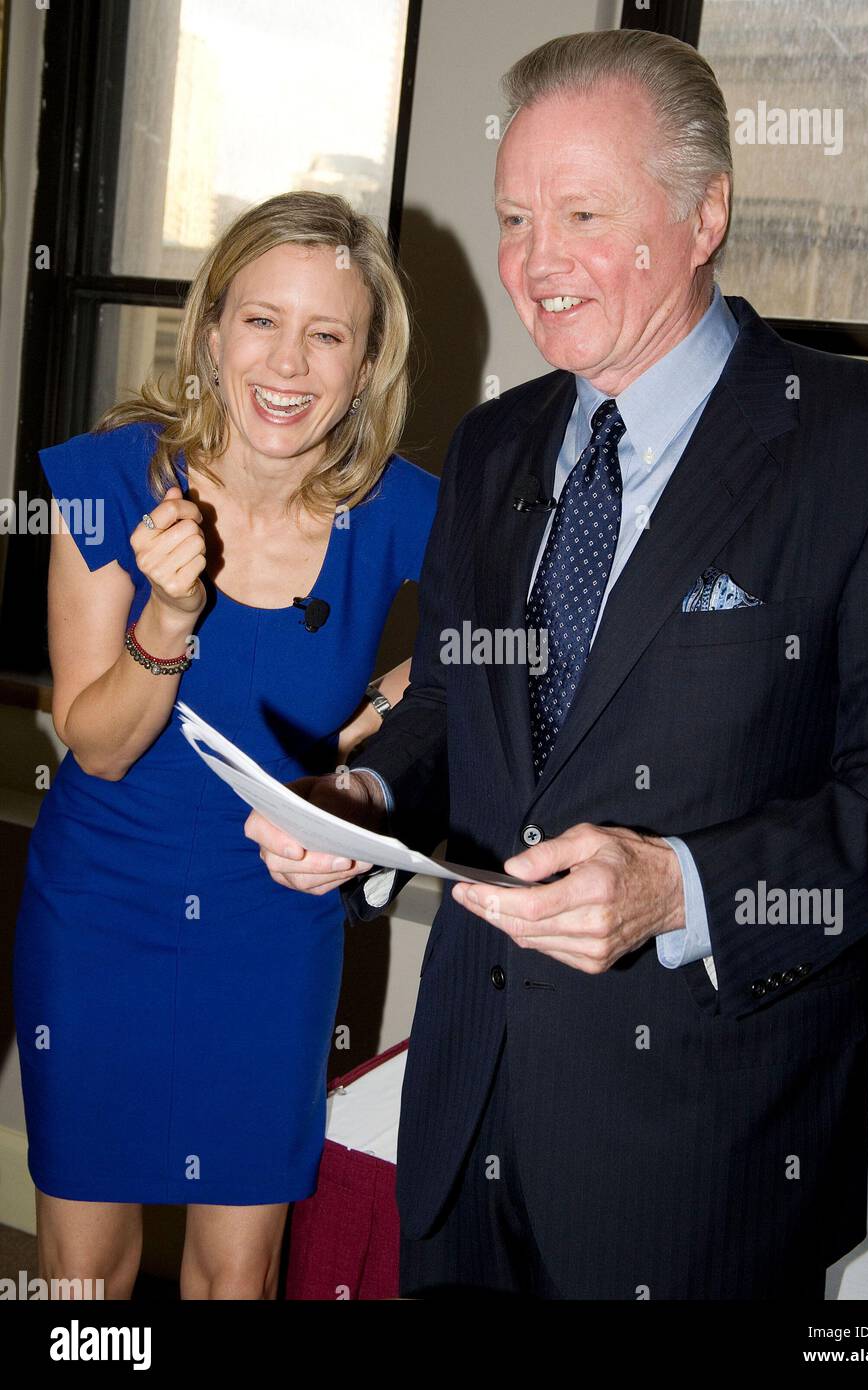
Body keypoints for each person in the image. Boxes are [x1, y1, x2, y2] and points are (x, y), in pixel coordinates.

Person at [247, 32, 868, 1299]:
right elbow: (450, 706)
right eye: (517, 215)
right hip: (463, 1123)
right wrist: (364, 804)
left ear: (704, 215)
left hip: (705, 1168)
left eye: (583, 213)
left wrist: (682, 889)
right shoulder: (490, 446)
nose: (535, 263)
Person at [13, 190, 438, 1299]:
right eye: (261, 320)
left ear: (365, 361)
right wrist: (166, 619)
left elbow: (508, 639)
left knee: (233, 1278)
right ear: (210, 333)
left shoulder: (397, 508)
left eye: (328, 333)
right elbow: (95, 745)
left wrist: (374, 718)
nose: (288, 361)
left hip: (273, 919)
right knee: (82, 1275)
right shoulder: (112, 480)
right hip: (100, 910)